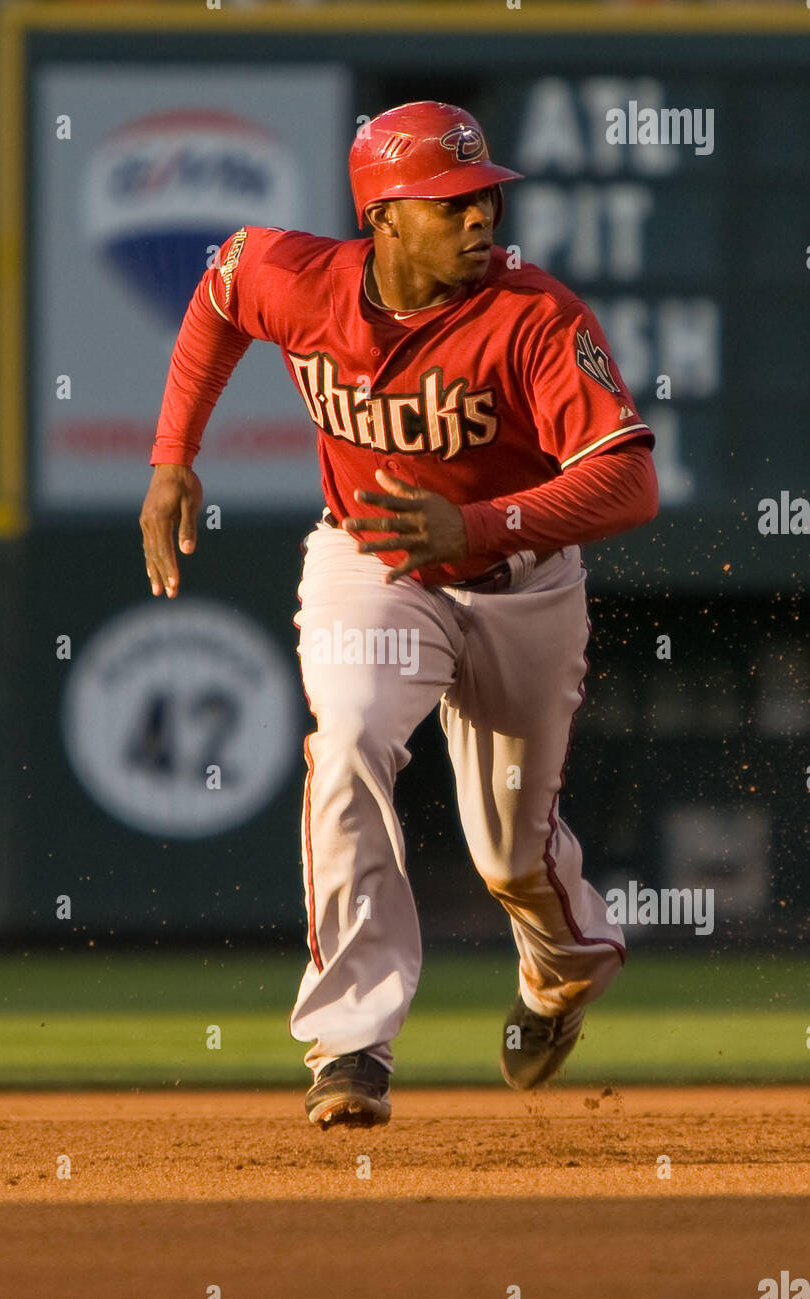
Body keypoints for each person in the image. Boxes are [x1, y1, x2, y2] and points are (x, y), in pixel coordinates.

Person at [140, 101, 658, 1130]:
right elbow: (221, 287)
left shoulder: (534, 317)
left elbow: (628, 483)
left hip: (523, 581)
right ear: (381, 216)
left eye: (484, 198)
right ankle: (350, 1044)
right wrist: (170, 458)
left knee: (510, 855)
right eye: (450, 202)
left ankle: (561, 973)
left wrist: (473, 522)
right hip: (371, 561)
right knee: (349, 744)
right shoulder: (302, 281)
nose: (480, 219)